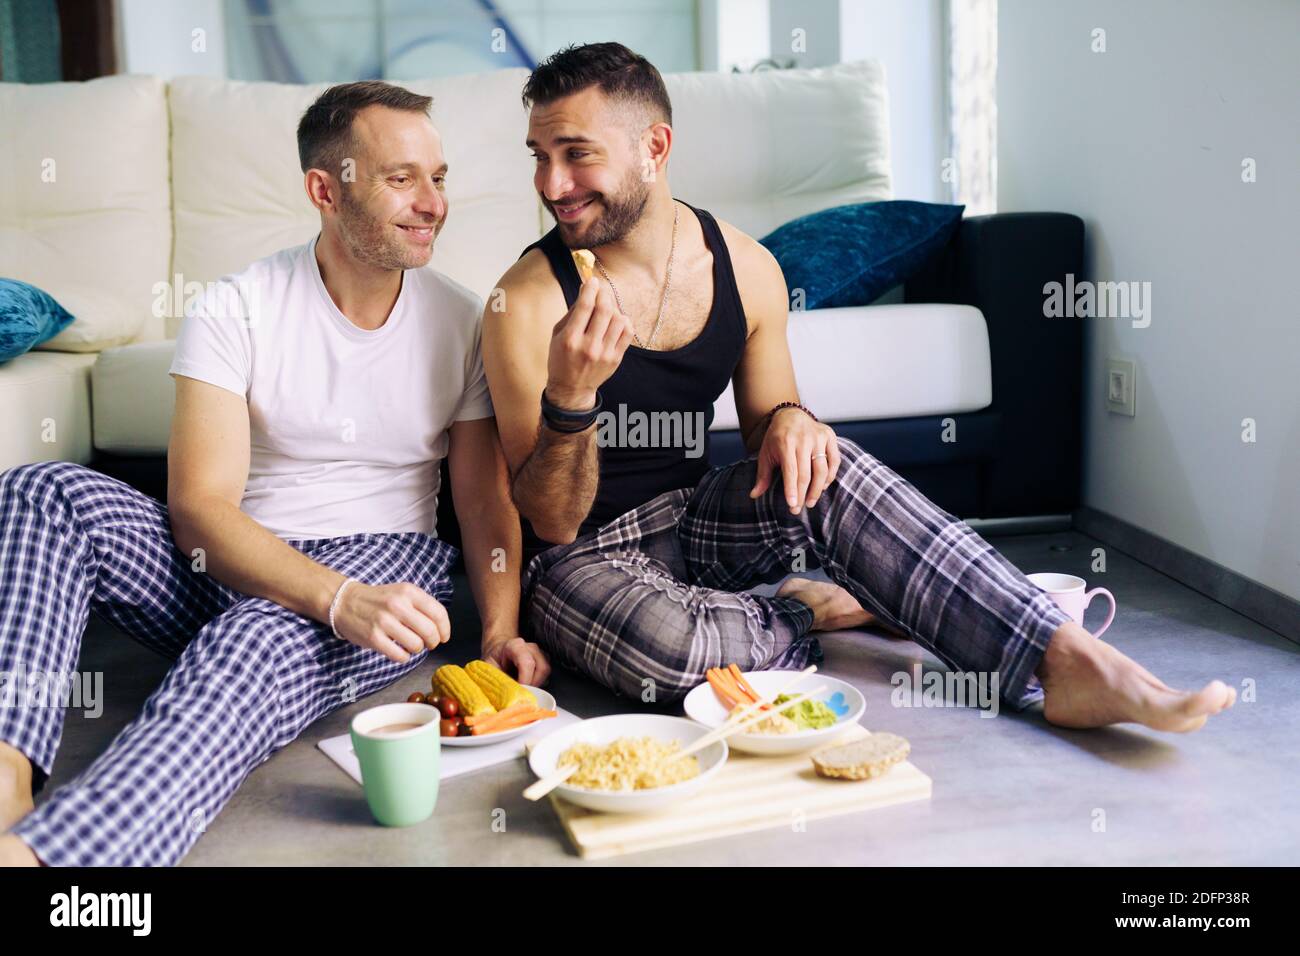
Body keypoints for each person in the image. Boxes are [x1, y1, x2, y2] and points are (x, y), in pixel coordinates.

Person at [482, 42, 1235, 733]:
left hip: (687, 520)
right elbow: (550, 519)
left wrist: (793, 422)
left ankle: (1065, 659)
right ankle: (808, 609)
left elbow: (769, 423)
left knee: (829, 466)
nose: (552, 184)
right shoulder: (525, 300)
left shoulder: (744, 268)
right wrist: (571, 400)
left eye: (576, 155)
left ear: (654, 148)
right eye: (539, 157)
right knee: (673, 654)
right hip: (580, 560)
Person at [0, 80, 546, 867]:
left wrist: (496, 628)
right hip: (241, 560)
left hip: (385, 558)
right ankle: (9, 778)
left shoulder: (462, 321)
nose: (433, 202)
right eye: (402, 179)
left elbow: (480, 497)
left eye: (439, 176)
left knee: (254, 639)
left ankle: (52, 864)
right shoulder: (236, 306)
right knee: (38, 490)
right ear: (326, 190)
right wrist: (332, 597)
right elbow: (198, 509)